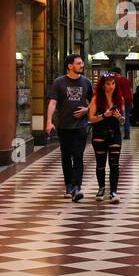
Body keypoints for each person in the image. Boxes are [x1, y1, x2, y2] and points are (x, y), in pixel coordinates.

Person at [45, 54, 94, 202]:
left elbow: (94, 101)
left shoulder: (86, 82)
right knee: (66, 156)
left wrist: (87, 110)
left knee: (78, 156)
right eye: (78, 63)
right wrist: (49, 121)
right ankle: (68, 185)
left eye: (82, 63)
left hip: (81, 126)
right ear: (70, 66)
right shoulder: (59, 82)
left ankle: (77, 187)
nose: (82, 65)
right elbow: (53, 103)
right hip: (64, 126)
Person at [88, 73, 125, 204]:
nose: (111, 86)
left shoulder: (119, 99)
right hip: (99, 133)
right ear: (103, 85)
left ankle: (113, 191)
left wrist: (119, 116)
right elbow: (91, 118)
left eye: (113, 83)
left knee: (114, 164)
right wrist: (104, 115)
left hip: (115, 134)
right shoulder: (96, 98)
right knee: (101, 163)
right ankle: (101, 188)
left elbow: (123, 121)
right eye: (108, 84)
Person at [112, 66, 134, 139]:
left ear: (115, 73)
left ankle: (116, 134)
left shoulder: (116, 80)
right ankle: (127, 134)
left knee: (117, 117)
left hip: (121, 101)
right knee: (126, 117)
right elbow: (131, 90)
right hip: (129, 101)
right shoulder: (126, 80)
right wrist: (132, 101)